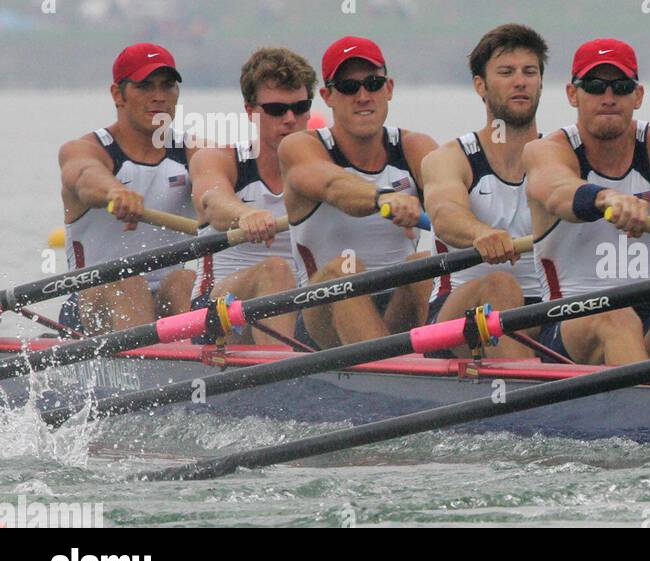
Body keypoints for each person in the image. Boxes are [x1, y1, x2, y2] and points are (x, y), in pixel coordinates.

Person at [523, 38, 650, 365]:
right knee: (617, 319)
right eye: (595, 86)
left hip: (649, 309)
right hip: (569, 315)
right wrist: (604, 198)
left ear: (638, 95)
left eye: (620, 86)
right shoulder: (547, 150)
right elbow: (557, 191)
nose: (608, 97)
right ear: (573, 94)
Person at [280, 36, 438, 347]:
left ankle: (418, 373)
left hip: (396, 307)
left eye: (373, 84)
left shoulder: (416, 147)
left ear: (388, 89)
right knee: (346, 267)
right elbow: (334, 187)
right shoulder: (301, 147)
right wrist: (383, 198)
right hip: (321, 313)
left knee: (423, 264)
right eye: (349, 87)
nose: (363, 96)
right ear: (328, 96)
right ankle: (395, 378)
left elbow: (455, 203)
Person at [422, 24, 547, 359]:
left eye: (529, 72)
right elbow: (445, 214)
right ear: (481, 85)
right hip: (457, 316)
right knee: (500, 284)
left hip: (543, 313)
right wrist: (481, 233)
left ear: (540, 83)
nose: (520, 81)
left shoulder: (561, 159)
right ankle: (527, 396)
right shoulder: (450, 158)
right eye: (506, 72)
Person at [58, 43, 198, 334]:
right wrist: (115, 193)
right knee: (128, 279)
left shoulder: (195, 152)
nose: (159, 96)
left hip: (167, 303)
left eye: (167, 86)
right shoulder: (85, 149)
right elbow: (85, 176)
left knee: (184, 280)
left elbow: (218, 185)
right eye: (145, 86)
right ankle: (161, 370)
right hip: (91, 303)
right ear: (117, 94)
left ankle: (192, 368)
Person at [189, 47, 317, 345]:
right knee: (276, 271)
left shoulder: (323, 169)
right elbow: (210, 201)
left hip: (299, 309)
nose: (289, 119)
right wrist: (246, 215)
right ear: (250, 111)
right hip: (215, 314)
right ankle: (283, 387)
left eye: (300, 108)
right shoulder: (220, 159)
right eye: (275, 110)